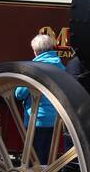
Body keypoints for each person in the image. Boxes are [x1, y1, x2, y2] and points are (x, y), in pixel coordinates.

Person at [16, 34, 66, 165]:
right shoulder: (61, 67)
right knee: (48, 157)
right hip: (55, 120)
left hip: (36, 120)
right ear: (51, 48)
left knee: (34, 159)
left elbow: (19, 94)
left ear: (35, 51)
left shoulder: (33, 68)